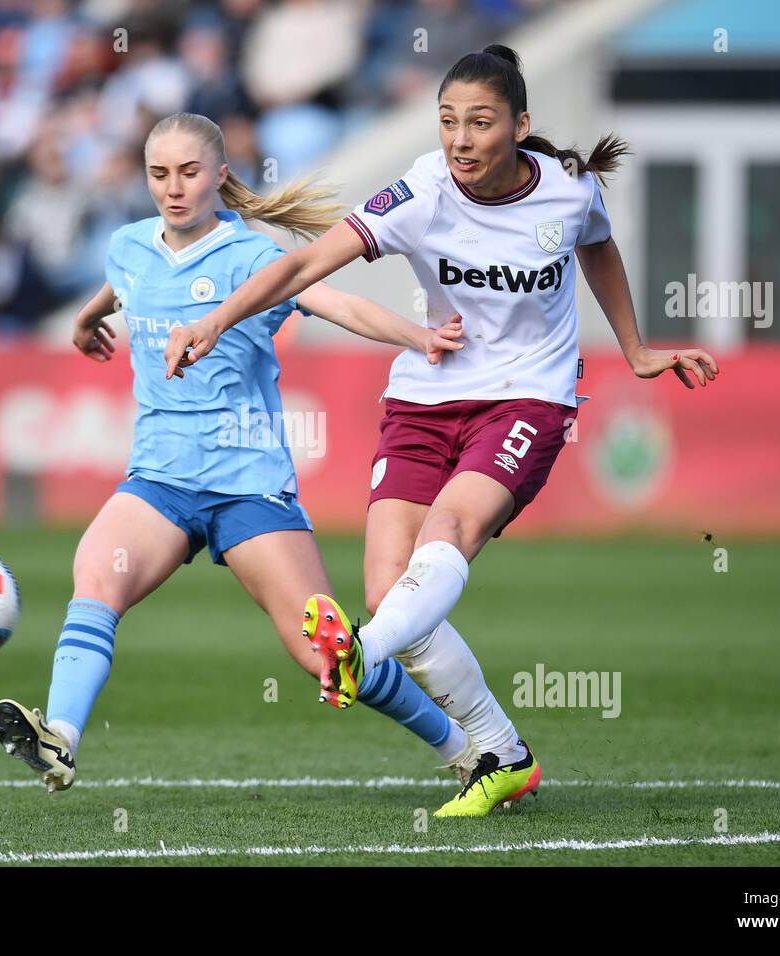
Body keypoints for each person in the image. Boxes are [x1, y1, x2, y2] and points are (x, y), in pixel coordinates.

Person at [164, 45, 720, 818]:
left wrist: (634, 349)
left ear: (521, 127)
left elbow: (596, 242)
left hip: (528, 399)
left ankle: (362, 651)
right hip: (426, 397)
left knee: (448, 533)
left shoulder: (566, 189)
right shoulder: (423, 191)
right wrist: (215, 320)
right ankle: (503, 754)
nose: (460, 139)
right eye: (448, 121)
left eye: (481, 123)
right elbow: (305, 267)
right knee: (393, 592)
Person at [0, 112, 477, 793]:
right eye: (159, 174)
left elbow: (336, 304)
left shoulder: (252, 258)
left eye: (190, 172)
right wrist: (84, 321)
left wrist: (416, 336)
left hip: (249, 489)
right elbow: (115, 289)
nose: (174, 187)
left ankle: (464, 748)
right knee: (96, 577)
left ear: (220, 174)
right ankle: (61, 739)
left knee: (325, 656)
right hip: (158, 483)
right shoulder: (128, 246)